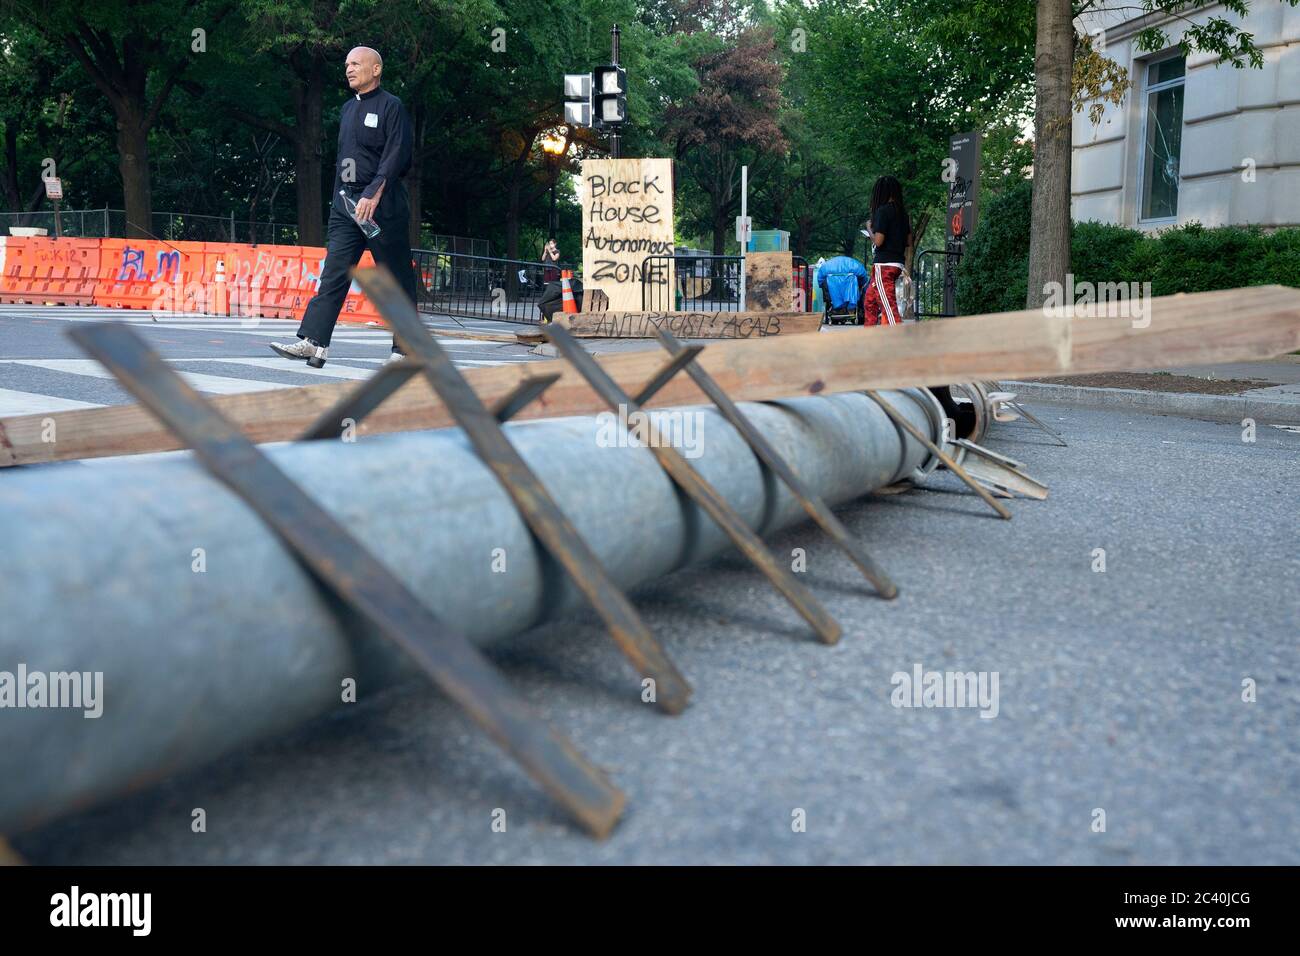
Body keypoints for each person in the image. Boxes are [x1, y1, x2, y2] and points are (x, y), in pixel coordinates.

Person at [270, 46, 418, 368]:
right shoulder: (348, 109)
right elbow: (345, 160)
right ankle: (314, 342)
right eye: (347, 64)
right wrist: (340, 199)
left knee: (394, 279)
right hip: (346, 206)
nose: (349, 69)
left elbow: (397, 154)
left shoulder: (392, 106)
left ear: (376, 69)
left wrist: (374, 192)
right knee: (334, 273)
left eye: (356, 64)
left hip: (383, 205)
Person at [862, 175, 912, 327]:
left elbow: (878, 241)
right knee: (869, 302)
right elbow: (909, 241)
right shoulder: (903, 214)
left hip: (883, 265)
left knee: (888, 307)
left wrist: (870, 229)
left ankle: (895, 342)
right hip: (897, 264)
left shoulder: (883, 211)